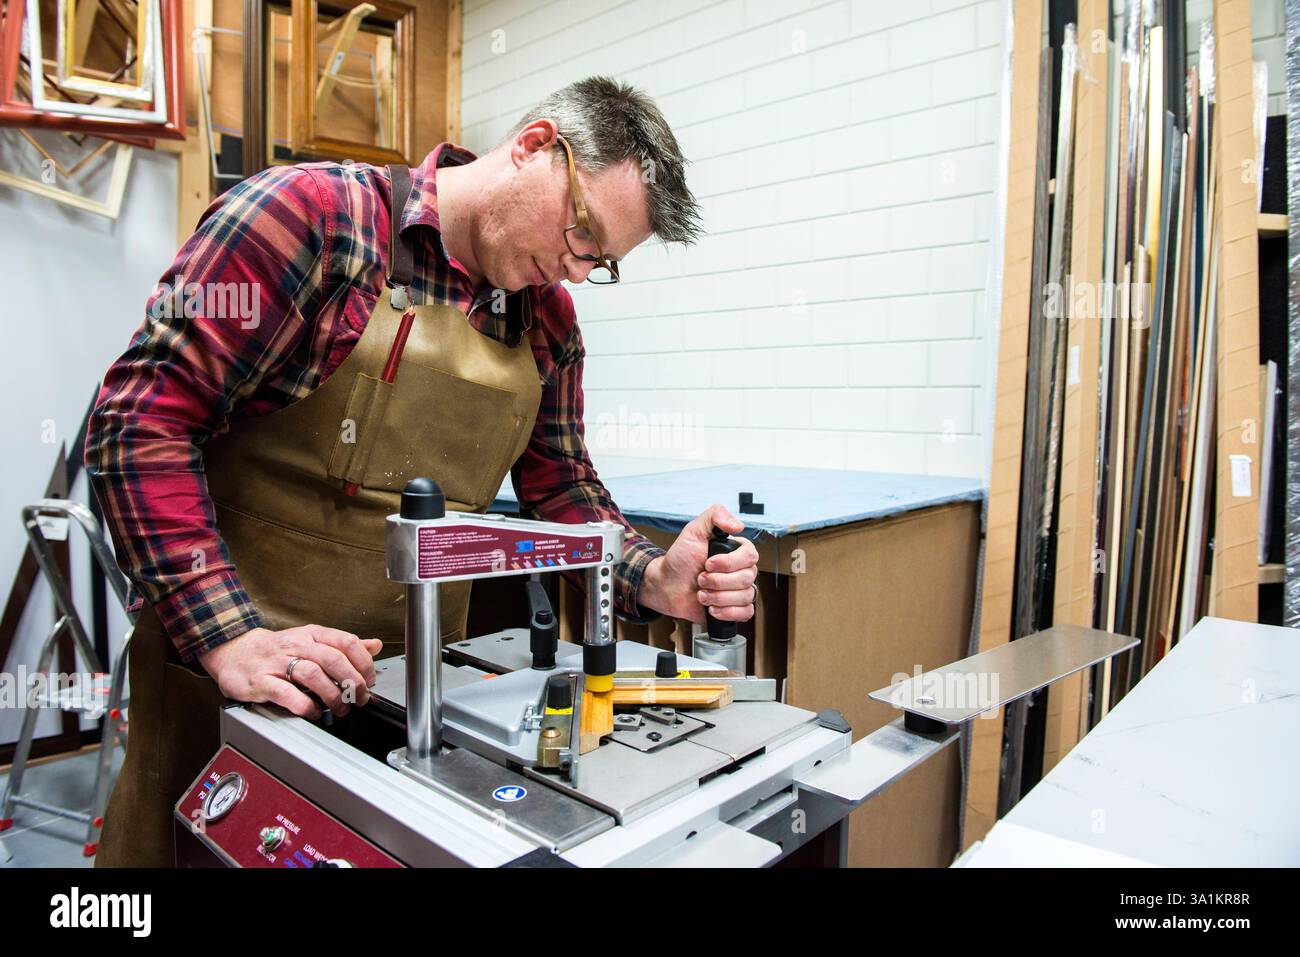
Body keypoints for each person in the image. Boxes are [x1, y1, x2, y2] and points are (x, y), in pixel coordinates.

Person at [85, 76, 760, 866]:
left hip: (410, 710)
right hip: (238, 690)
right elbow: (138, 425)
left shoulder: (546, 319)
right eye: (582, 232)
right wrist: (231, 636)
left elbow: (563, 483)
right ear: (536, 145)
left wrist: (650, 576)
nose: (578, 271)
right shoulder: (308, 219)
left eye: (600, 261)